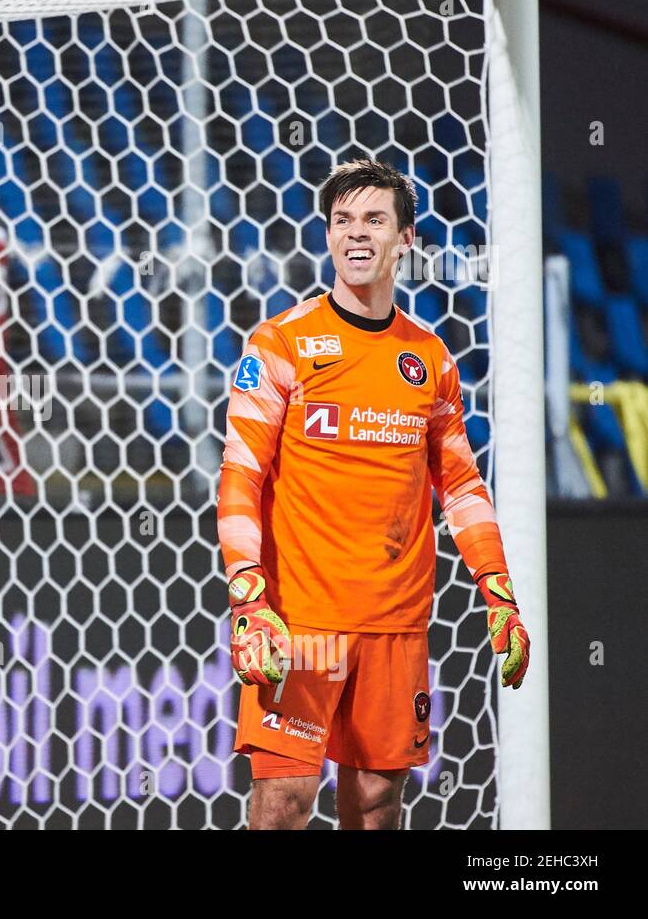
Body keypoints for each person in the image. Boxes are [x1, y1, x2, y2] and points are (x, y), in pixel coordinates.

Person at [216, 158, 530, 830]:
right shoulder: (280, 344)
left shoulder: (432, 360)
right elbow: (240, 474)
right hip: (301, 626)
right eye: (341, 220)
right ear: (328, 235)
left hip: (394, 626)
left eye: (373, 219)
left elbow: (464, 487)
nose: (355, 234)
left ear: (405, 240)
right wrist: (248, 597)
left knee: (376, 805)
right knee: (282, 804)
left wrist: (499, 593)